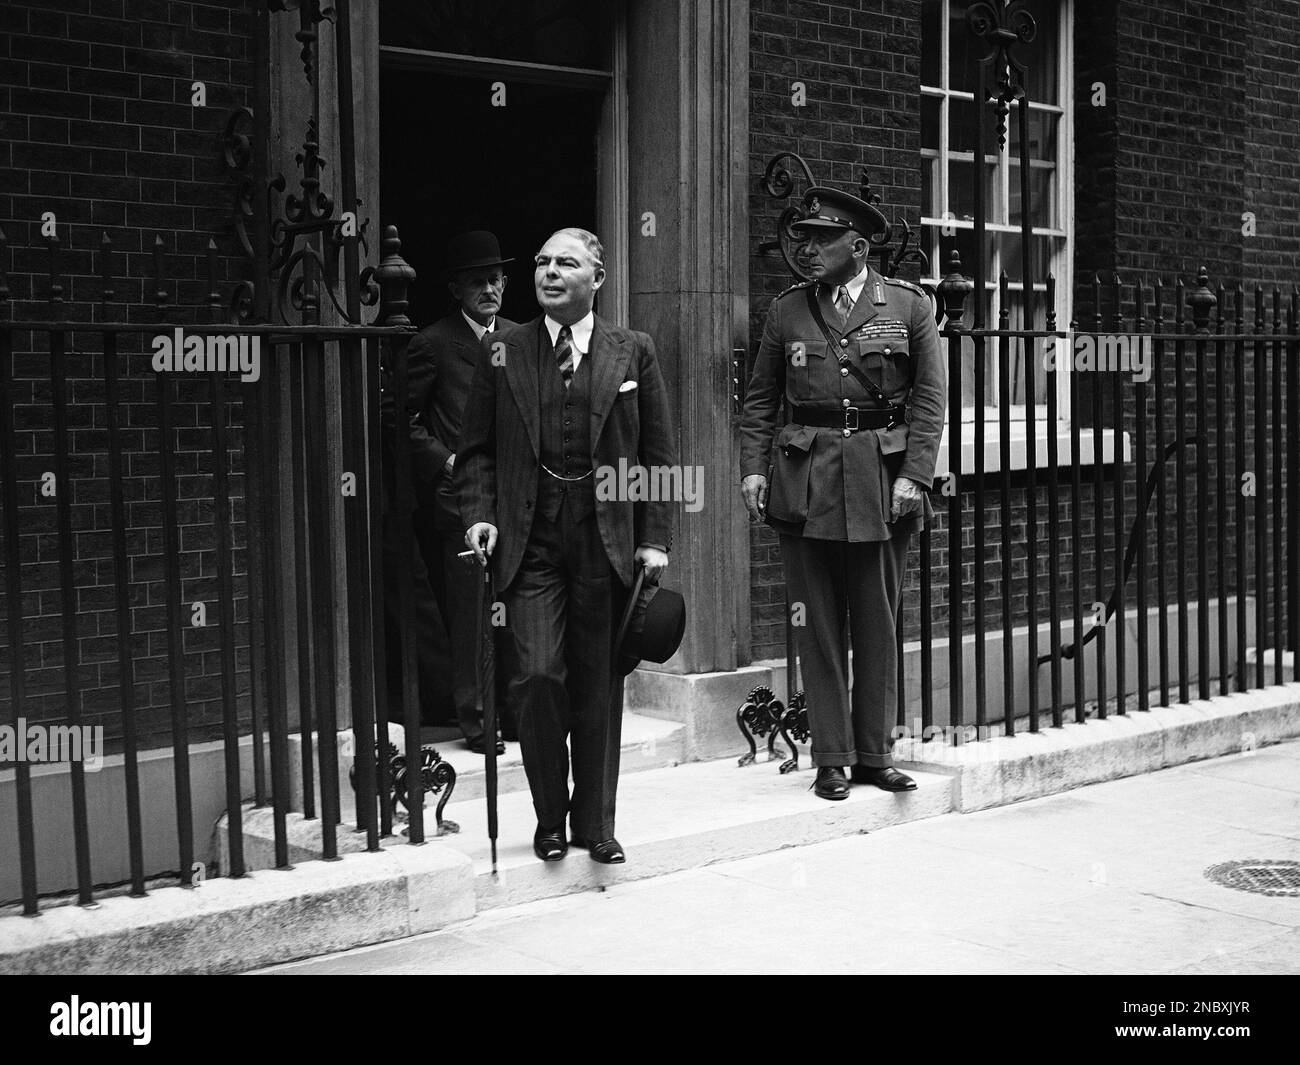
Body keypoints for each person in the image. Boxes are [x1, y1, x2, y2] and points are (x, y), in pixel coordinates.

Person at [457, 227, 676, 863]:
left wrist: (653, 539)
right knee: (536, 676)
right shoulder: (504, 348)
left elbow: (658, 453)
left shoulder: (633, 351)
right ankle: (549, 817)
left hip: (605, 541)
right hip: (530, 542)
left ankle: (595, 824)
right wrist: (478, 514)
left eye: (567, 264)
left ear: (597, 280)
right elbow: (475, 450)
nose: (550, 272)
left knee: (598, 686)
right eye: (543, 262)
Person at [739, 186, 947, 800]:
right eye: (802, 238)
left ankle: (874, 755)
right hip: (806, 479)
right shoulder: (787, 312)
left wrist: (915, 474)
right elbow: (759, 401)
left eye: (821, 239)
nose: (807, 250)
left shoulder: (908, 308)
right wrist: (754, 469)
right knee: (817, 623)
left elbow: (930, 401)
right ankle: (831, 756)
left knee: (877, 620)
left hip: (882, 479)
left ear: (857, 247)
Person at [404, 231, 518, 754]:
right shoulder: (432, 342)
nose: (490, 289)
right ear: (456, 289)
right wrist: (446, 461)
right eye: (478, 282)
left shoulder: (524, 338)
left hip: (518, 497)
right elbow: (402, 421)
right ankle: (476, 721)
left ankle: (518, 714)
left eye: (496, 280)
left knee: (520, 603)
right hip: (459, 498)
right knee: (474, 611)